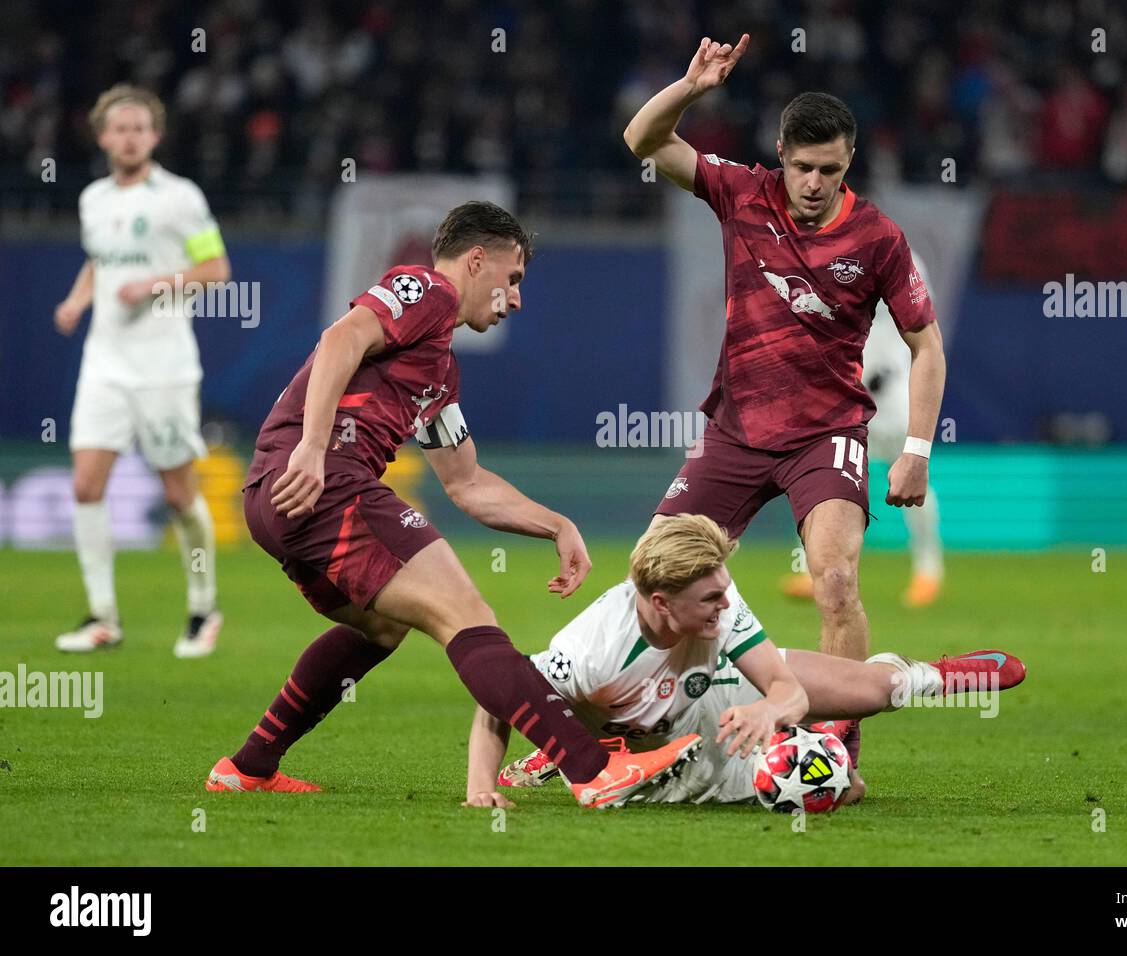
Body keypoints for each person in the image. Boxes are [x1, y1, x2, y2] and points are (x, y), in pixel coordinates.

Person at [204, 202, 700, 808]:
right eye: (512, 280)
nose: (515, 299)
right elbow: (342, 337)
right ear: (475, 261)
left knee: (382, 627)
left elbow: (466, 483)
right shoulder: (428, 291)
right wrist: (311, 447)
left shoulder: (438, 368)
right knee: (468, 617)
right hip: (321, 477)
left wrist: (557, 525)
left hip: (275, 498)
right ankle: (592, 769)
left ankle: (249, 766)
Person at [622, 36, 947, 790]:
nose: (812, 183)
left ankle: (837, 754)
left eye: (830, 170)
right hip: (735, 431)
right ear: (780, 154)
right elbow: (641, 139)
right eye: (802, 167)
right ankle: (635, 731)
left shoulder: (878, 240)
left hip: (825, 435)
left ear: (849, 163)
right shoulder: (741, 192)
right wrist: (691, 86)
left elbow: (926, 348)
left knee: (834, 582)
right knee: (655, 582)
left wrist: (918, 450)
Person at [466, 516, 1023, 807]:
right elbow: (497, 697)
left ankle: (922, 677)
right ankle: (563, 748)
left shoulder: (717, 604)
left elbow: (786, 688)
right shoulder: (592, 650)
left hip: (724, 688)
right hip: (671, 747)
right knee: (845, 788)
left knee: (878, 692)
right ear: (661, 602)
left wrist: (772, 711)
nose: (726, 604)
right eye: (710, 598)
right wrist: (478, 786)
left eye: (724, 590)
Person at [54, 84, 230, 658]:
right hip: (104, 363)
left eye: (139, 128)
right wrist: (80, 299)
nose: (128, 137)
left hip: (164, 367)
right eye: (118, 129)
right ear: (102, 137)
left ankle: (204, 609)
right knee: (85, 485)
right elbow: (99, 262)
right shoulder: (93, 200)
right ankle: (103, 616)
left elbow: (216, 270)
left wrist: (154, 285)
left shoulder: (181, 197)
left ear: (154, 136)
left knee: (178, 493)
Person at [783, 254, 945, 608]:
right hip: (842, 392)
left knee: (908, 479)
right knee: (824, 476)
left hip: (890, 394)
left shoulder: (898, 257)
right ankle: (815, 570)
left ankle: (928, 571)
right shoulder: (818, 258)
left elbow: (922, 326)